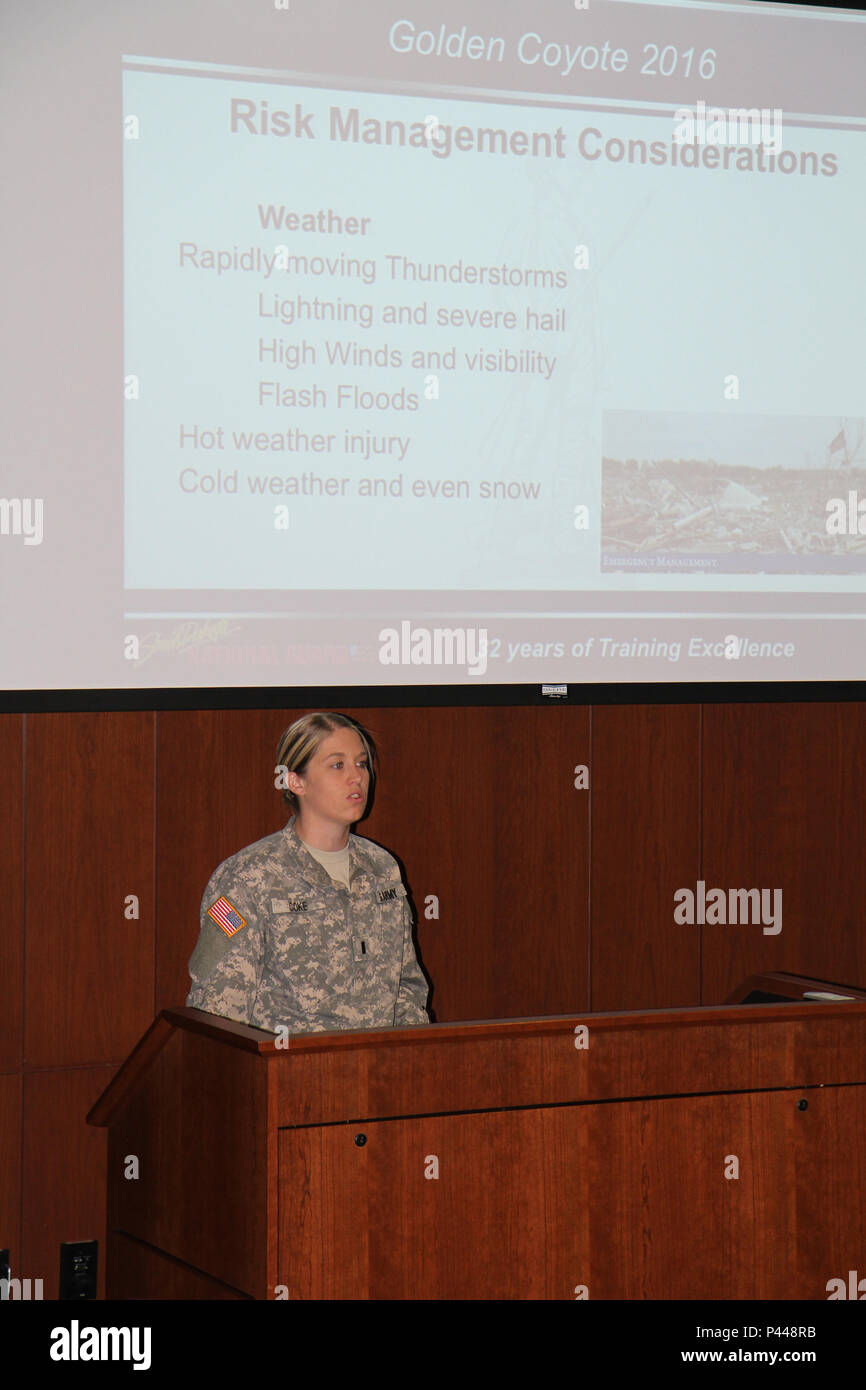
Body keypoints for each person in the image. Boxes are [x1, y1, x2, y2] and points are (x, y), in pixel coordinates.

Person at [186, 711, 430, 1035]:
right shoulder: (247, 878)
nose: (356, 777)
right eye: (337, 765)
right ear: (295, 781)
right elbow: (216, 1016)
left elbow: (407, 993)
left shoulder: (382, 867)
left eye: (361, 763)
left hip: (377, 1077)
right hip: (289, 1078)